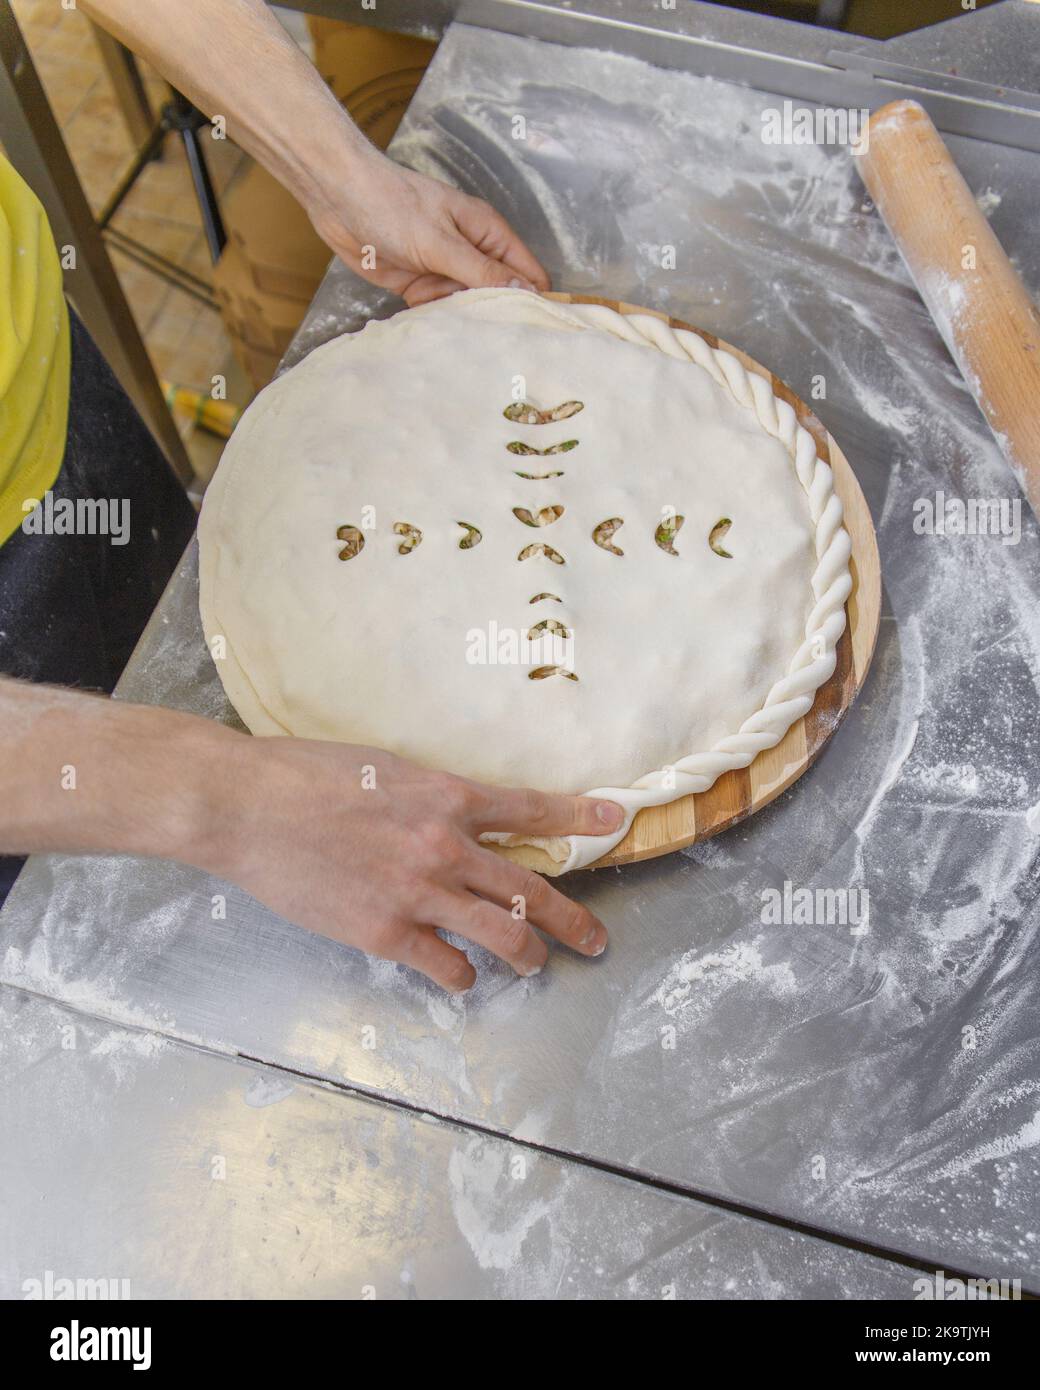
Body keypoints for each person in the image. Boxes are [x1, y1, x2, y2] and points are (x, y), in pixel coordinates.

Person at [0, 0, 621, 992]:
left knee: (204, 644)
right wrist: (231, 801)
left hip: (42, 403)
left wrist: (337, 173)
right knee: (88, 988)